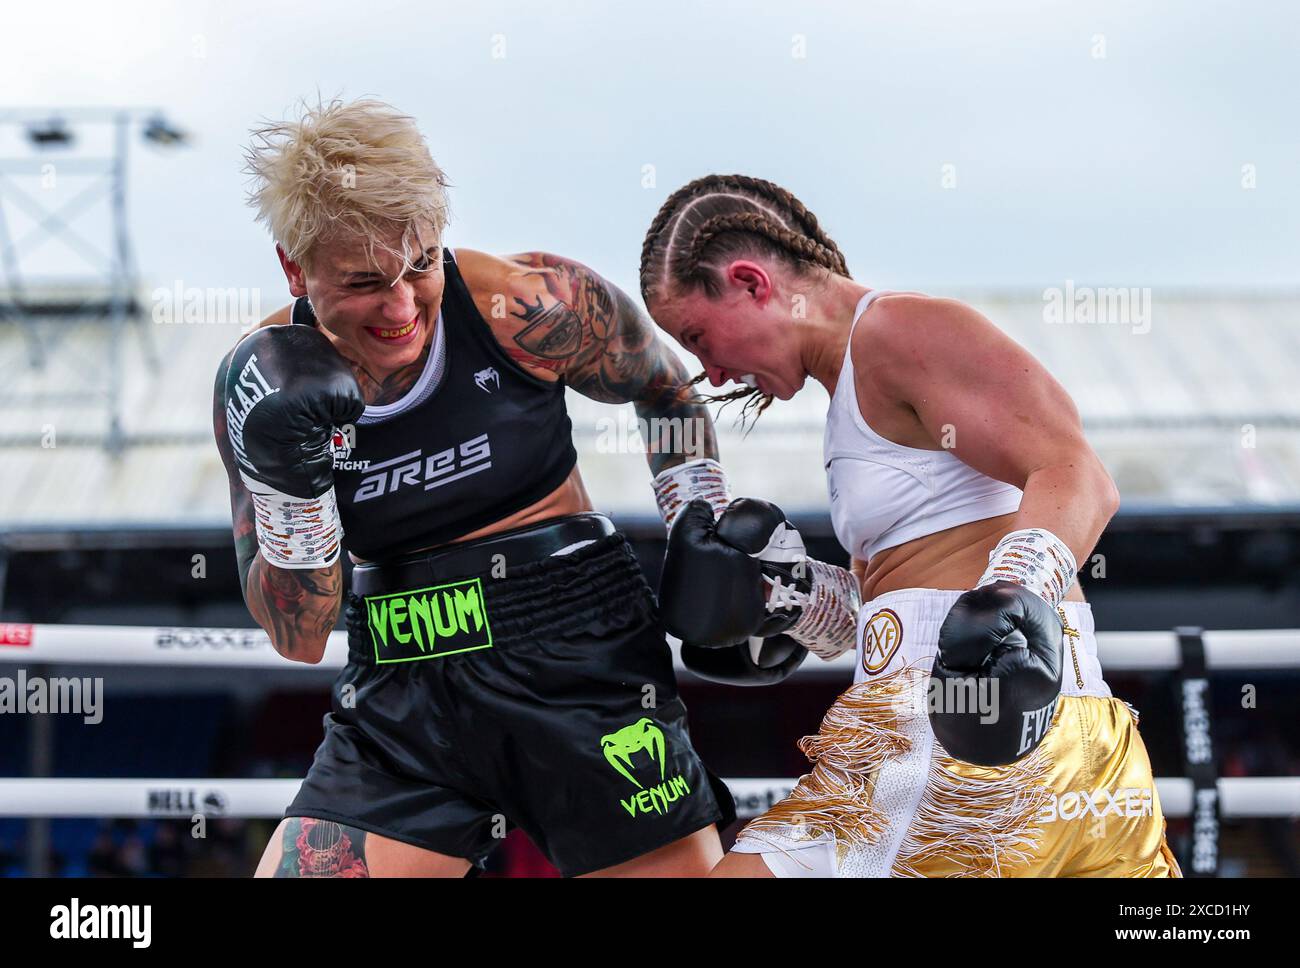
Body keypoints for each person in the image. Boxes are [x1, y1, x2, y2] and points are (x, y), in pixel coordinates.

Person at [212, 98, 736, 877]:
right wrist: (295, 492)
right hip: (399, 684)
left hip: (575, 656)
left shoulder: (523, 306)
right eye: (364, 281)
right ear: (295, 265)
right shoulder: (259, 389)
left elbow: (665, 388)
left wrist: (705, 523)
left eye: (418, 265)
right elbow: (300, 635)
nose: (400, 307)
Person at [641, 173, 1180, 877]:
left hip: (951, 733)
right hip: (1053, 736)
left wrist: (1008, 605)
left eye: (698, 336)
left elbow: (1078, 476)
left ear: (750, 282)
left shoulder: (899, 329)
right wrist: (788, 598)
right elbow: (904, 600)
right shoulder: (855, 390)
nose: (709, 374)